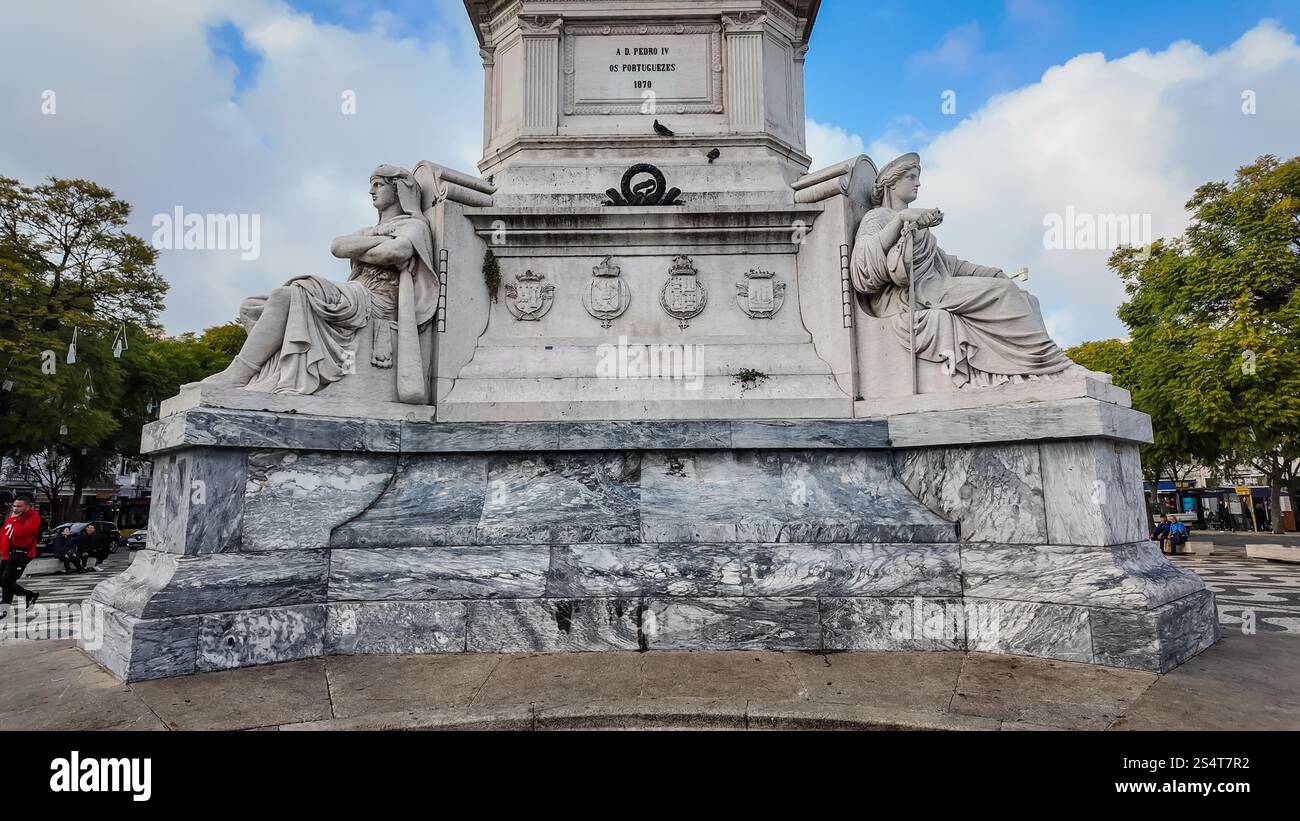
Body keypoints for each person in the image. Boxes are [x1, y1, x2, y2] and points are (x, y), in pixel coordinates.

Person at [202, 165, 439, 404]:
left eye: (378, 184)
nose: (371, 191)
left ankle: (238, 375)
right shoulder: (370, 230)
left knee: (291, 294)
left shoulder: (414, 226)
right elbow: (337, 247)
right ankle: (258, 372)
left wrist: (366, 246)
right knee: (253, 306)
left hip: (375, 301)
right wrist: (379, 240)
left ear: (397, 188)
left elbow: (394, 252)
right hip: (355, 292)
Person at [850, 152, 1081, 387]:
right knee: (1003, 294)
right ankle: (1050, 366)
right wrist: (900, 221)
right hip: (912, 296)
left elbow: (948, 264)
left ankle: (1035, 371)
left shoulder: (918, 224)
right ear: (893, 182)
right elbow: (862, 269)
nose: (918, 183)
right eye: (911, 177)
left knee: (1024, 296)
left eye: (917, 177)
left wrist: (991, 272)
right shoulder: (876, 218)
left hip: (936, 287)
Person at [0, 493, 41, 619]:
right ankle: (29, 595)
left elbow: (22, 533)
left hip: (21, 554)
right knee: (3, 579)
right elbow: (5, 532)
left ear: (27, 507)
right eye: (14, 506)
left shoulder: (33, 517)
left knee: (7, 580)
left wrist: (15, 519)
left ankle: (4, 609)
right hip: (8, 554)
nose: (15, 508)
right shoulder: (12, 517)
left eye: (19, 506)